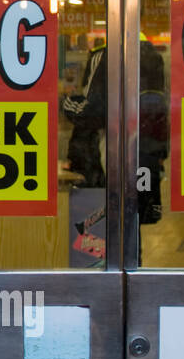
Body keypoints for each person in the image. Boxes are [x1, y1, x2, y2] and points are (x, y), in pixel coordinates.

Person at [62, 34, 168, 224]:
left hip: (105, 165)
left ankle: (106, 253)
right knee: (130, 231)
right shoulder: (154, 58)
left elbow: (93, 112)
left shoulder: (105, 55)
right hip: (143, 157)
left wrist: (65, 103)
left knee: (95, 236)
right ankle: (130, 254)